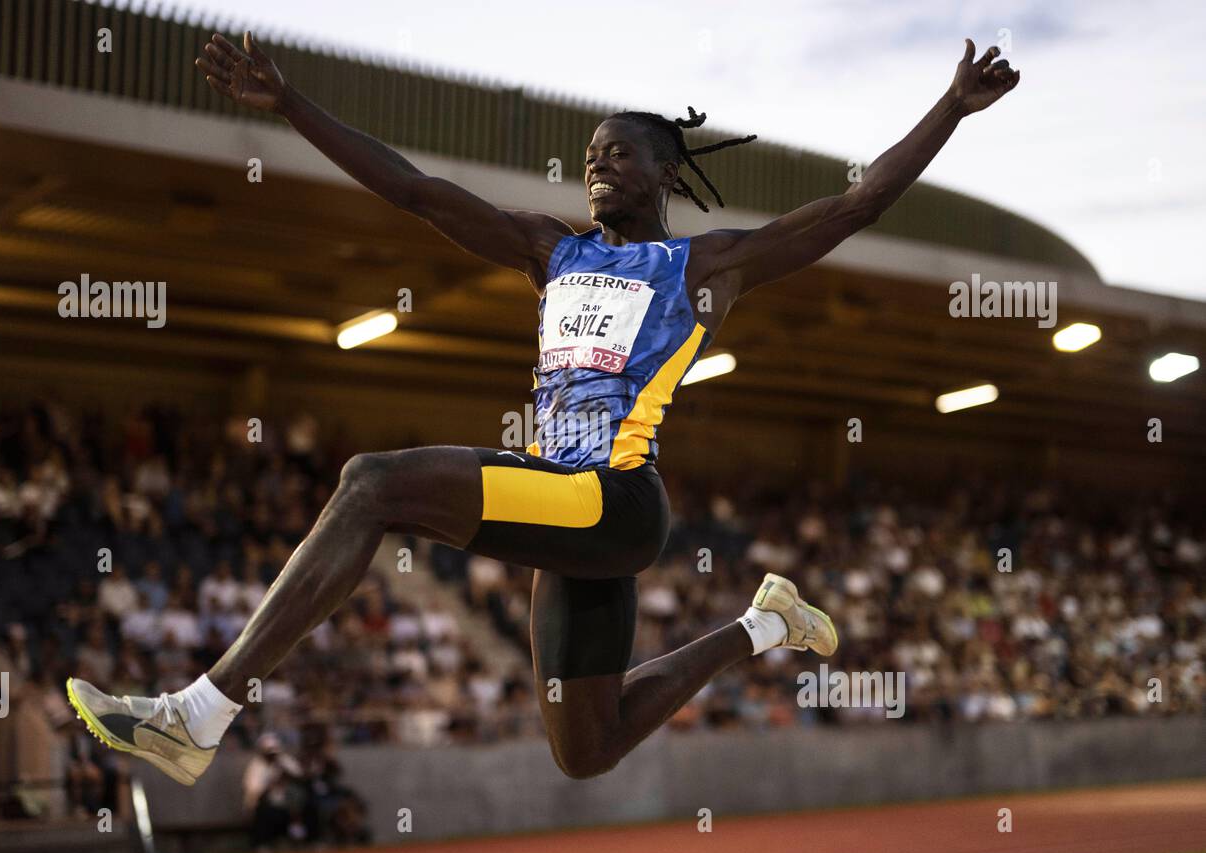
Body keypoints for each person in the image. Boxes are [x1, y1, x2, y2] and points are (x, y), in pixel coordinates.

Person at [67, 31, 1019, 784]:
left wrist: (951, 110)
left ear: (666, 173)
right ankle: (767, 626)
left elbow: (852, 207)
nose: (597, 166)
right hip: (560, 509)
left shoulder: (705, 265)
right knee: (585, 750)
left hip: (612, 498)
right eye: (591, 156)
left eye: (618, 155)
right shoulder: (548, 251)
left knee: (372, 483)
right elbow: (415, 190)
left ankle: (200, 712)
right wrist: (287, 104)